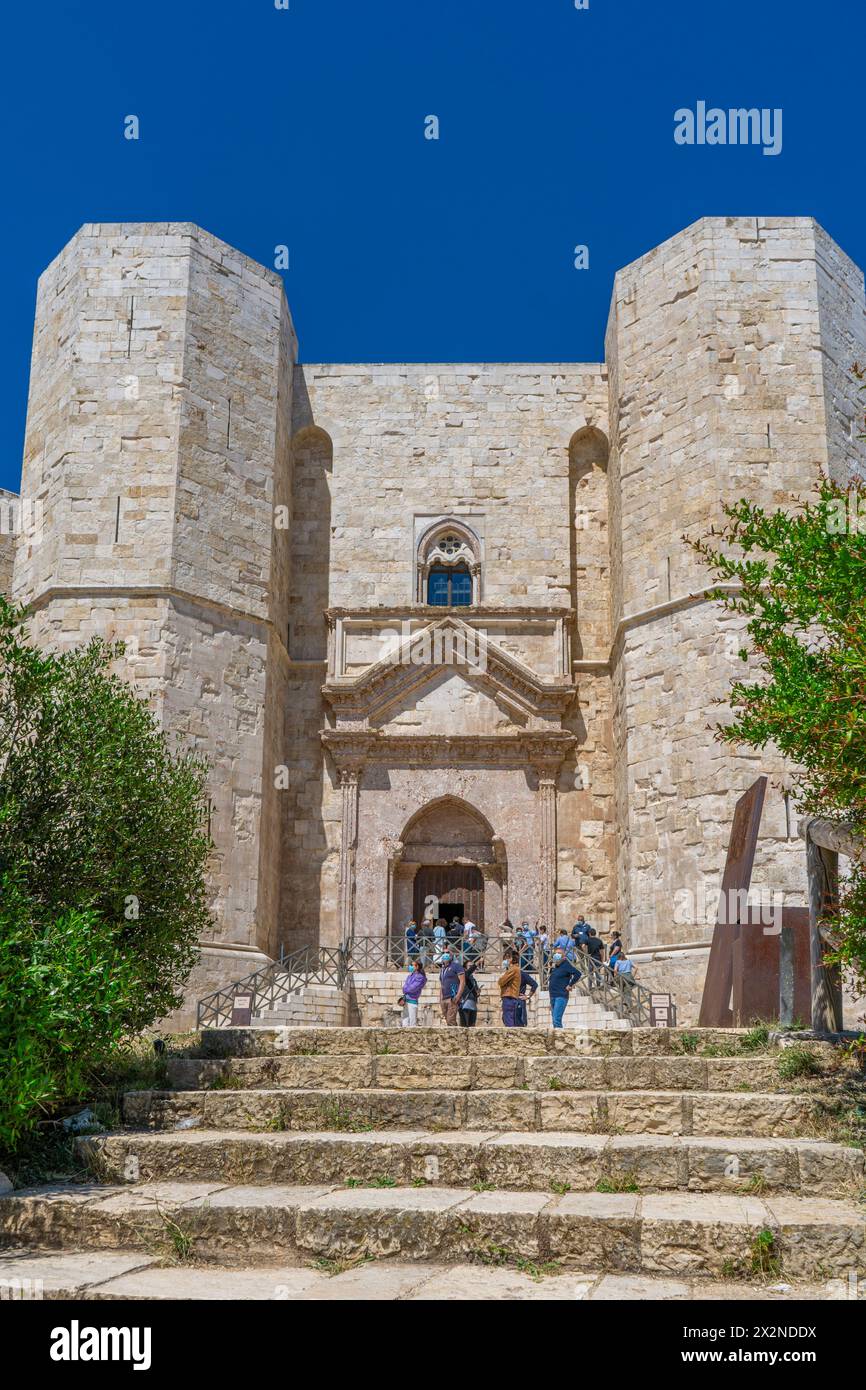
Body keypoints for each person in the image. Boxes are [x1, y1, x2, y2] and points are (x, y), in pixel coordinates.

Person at [547, 949, 582, 1028]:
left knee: (556, 1020)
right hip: (553, 996)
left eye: (559, 953)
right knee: (554, 1020)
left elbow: (578, 973)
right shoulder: (556, 967)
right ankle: (556, 1038)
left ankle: (559, 1039)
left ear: (564, 957)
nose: (556, 955)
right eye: (555, 953)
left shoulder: (566, 965)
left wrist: (570, 984)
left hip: (561, 996)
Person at [438, 949, 465, 1025]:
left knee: (451, 1020)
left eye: (447, 952)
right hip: (444, 998)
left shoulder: (456, 966)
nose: (445, 954)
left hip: (452, 997)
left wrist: (458, 996)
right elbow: (442, 984)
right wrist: (440, 998)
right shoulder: (442, 969)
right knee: (447, 1020)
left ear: (451, 955)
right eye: (443, 953)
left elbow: (462, 982)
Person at [498, 948, 522, 1027]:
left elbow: (501, 982)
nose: (505, 960)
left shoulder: (513, 969)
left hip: (509, 997)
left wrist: (501, 978)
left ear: (511, 958)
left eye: (506, 958)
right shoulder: (515, 969)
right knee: (509, 1019)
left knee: (509, 1021)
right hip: (512, 998)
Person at [401, 959, 427, 1026]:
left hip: (412, 1000)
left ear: (417, 966)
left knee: (412, 1022)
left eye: (412, 965)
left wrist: (405, 989)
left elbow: (413, 988)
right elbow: (405, 986)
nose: (411, 966)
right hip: (406, 1000)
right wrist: (405, 989)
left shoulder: (420, 977)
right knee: (405, 1021)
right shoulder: (410, 975)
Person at [458, 958, 480, 1027]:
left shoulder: (473, 979)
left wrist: (477, 992)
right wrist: (477, 963)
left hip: (473, 1003)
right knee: (464, 1024)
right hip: (464, 1002)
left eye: (472, 966)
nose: (471, 967)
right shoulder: (464, 975)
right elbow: (468, 973)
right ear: (465, 968)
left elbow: (475, 990)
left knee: (472, 1024)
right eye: (469, 966)